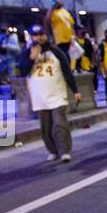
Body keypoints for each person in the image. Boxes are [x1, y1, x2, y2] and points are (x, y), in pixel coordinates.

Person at [18, 23, 81, 162]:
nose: (39, 38)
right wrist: (31, 58)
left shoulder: (56, 52)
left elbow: (66, 71)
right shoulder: (26, 53)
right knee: (45, 128)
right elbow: (23, 72)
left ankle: (64, 150)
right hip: (39, 96)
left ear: (46, 35)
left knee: (60, 123)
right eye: (35, 35)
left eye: (41, 34)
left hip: (57, 94)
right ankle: (53, 150)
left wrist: (75, 90)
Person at [47, 0, 75, 64]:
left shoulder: (65, 11)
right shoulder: (53, 12)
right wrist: (52, 6)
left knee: (68, 56)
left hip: (68, 38)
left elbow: (71, 25)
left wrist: (73, 36)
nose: (61, 0)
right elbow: (47, 20)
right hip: (59, 39)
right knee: (62, 56)